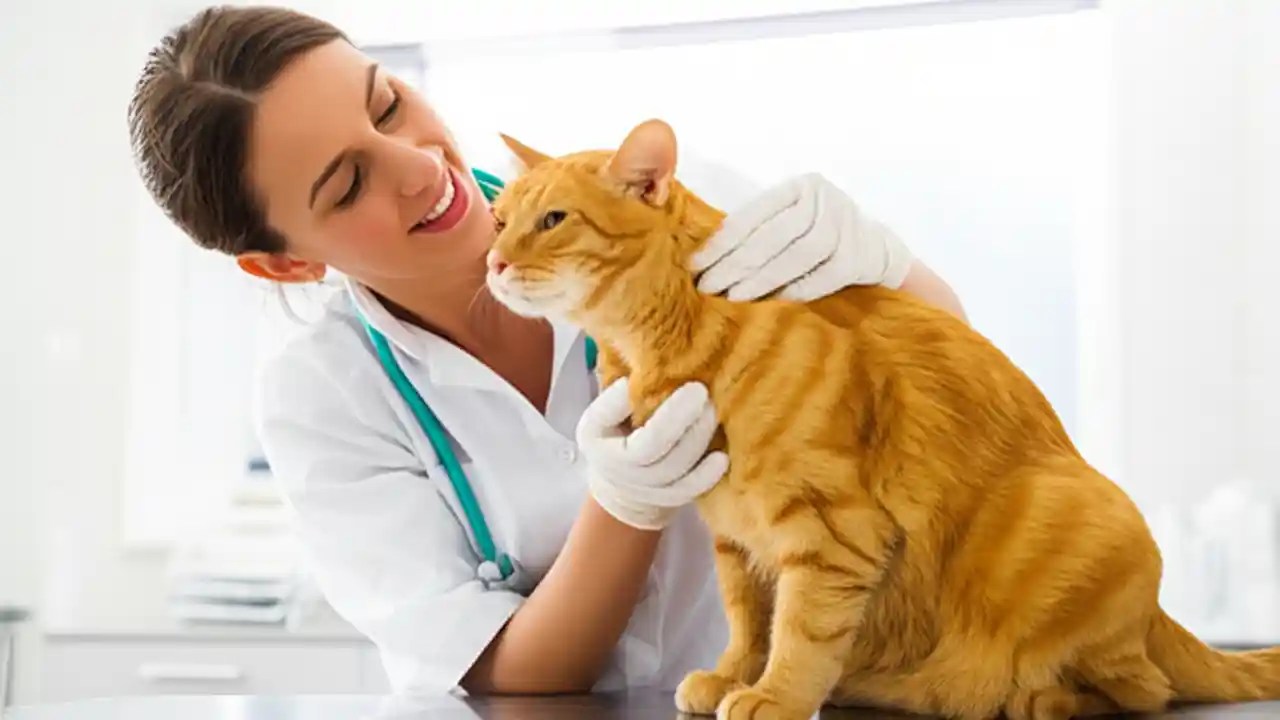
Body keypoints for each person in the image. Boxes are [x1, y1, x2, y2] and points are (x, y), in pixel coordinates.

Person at [126, 5, 968, 699]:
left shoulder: (656, 210)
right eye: (347, 185)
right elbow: (513, 669)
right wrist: (627, 497)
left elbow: (946, 389)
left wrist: (884, 267)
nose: (418, 167)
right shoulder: (323, 396)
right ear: (287, 260)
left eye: (386, 104)